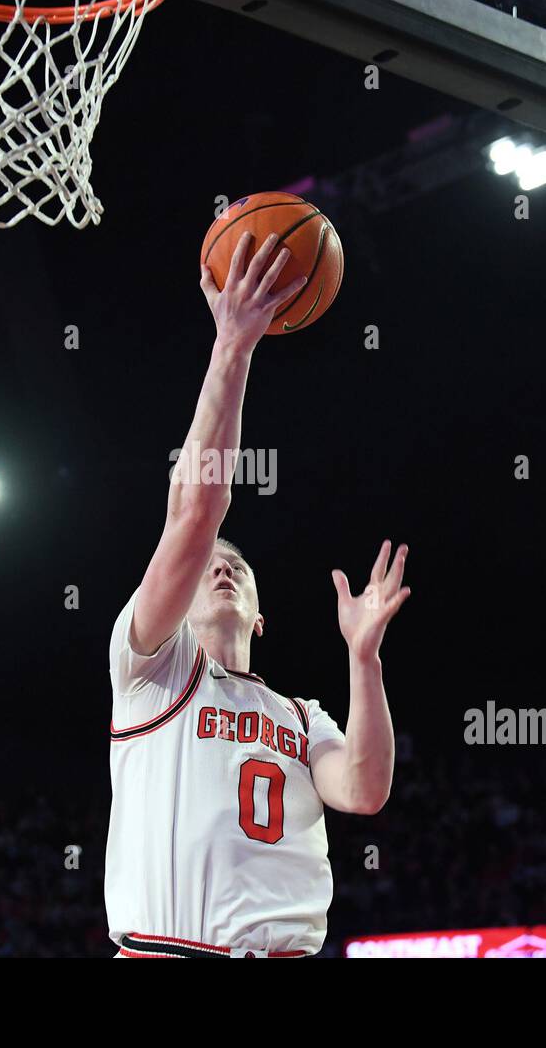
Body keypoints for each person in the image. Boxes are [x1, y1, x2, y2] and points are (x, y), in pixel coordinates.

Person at [104, 232, 411, 958]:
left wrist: (363, 658)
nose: (222, 565)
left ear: (261, 615)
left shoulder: (302, 718)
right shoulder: (150, 666)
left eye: (238, 563)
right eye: (210, 560)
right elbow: (197, 510)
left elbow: (366, 789)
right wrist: (233, 348)